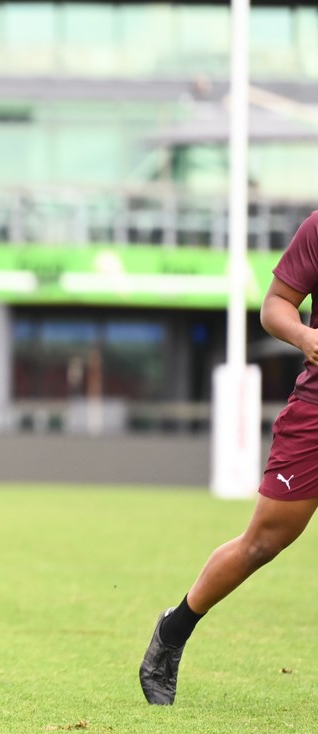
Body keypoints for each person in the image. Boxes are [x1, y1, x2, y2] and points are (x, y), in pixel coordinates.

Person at [140, 209, 318, 705]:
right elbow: (276, 305)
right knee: (262, 543)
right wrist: (304, 336)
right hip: (314, 414)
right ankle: (173, 632)